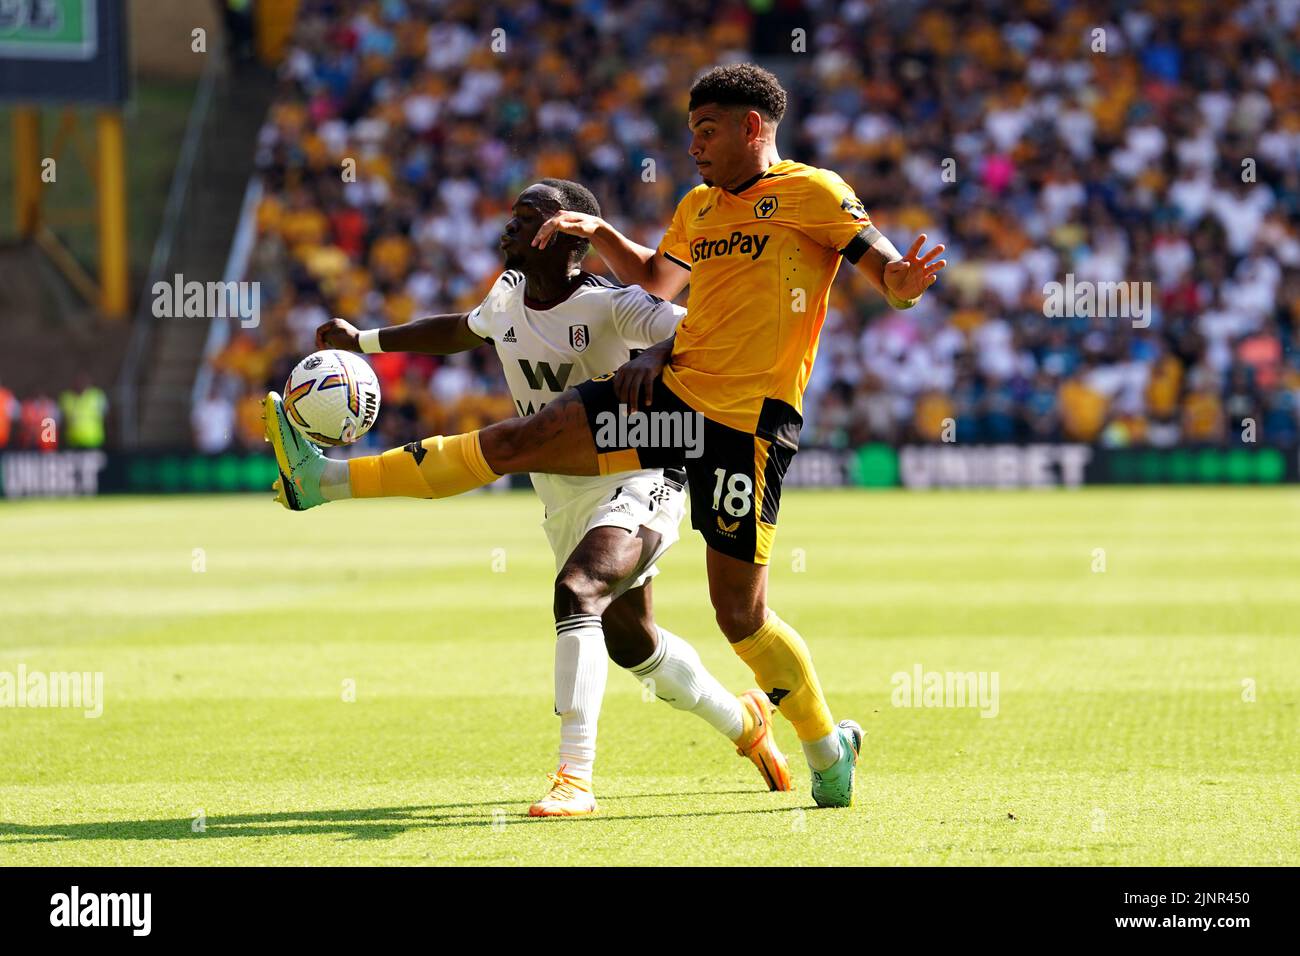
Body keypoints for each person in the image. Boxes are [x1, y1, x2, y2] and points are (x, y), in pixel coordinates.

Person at [265, 64, 945, 808]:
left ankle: (826, 747)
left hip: (749, 425)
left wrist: (903, 283)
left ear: (753, 127)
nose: (694, 145)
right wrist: (602, 234)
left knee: (740, 617)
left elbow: (887, 274)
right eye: (690, 132)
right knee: (521, 440)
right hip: (672, 397)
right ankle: (322, 480)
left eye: (708, 130)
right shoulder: (698, 207)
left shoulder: (815, 193)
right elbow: (655, 279)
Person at [307, 179, 790, 816]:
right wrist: (365, 342)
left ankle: (574, 777)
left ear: (566, 237)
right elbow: (460, 329)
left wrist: (660, 355)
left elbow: (704, 327)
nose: (509, 228)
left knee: (578, 589)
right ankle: (745, 724)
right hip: (561, 490)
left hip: (642, 471)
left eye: (525, 218)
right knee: (632, 642)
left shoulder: (613, 306)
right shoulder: (507, 297)